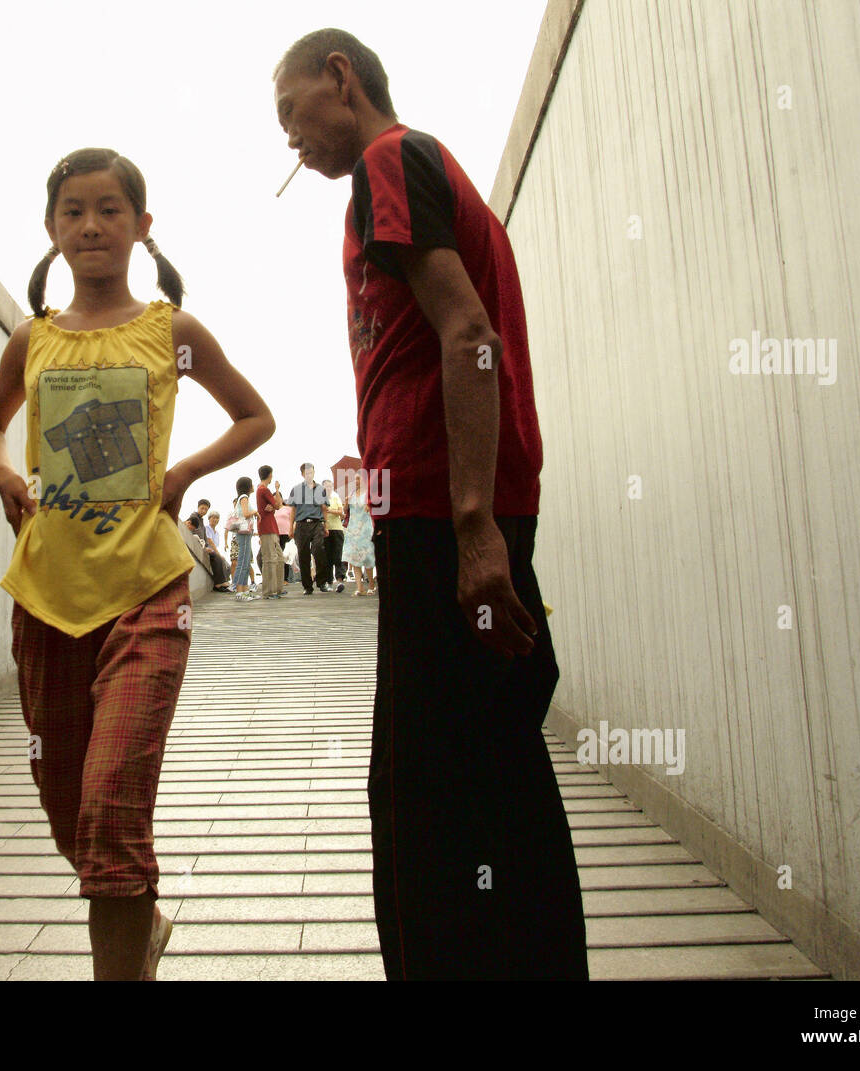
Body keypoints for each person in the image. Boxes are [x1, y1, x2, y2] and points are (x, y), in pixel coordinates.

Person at [274, 30, 588, 980]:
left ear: (341, 78)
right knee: (496, 769)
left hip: (434, 514)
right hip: (460, 507)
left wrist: (470, 526)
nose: (292, 141)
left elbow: (468, 333)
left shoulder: (387, 161)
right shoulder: (412, 167)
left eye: (292, 112)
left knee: (416, 801)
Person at [0, 147, 273, 981]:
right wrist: (2, 472)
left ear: (143, 227)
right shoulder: (31, 338)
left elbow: (256, 417)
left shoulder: (171, 330)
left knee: (112, 805)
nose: (92, 225)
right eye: (73, 210)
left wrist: (181, 475)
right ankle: (143, 921)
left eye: (110, 209)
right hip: (45, 598)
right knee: (68, 809)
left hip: (146, 591)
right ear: (51, 229)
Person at [286, 462, 329, 594]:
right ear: (302, 474)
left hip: (317, 523)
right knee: (303, 555)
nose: (309, 475)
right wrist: (290, 528)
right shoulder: (296, 489)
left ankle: (322, 582)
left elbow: (324, 508)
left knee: (318, 549)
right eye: (306, 473)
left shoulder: (320, 489)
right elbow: (292, 510)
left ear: (314, 472)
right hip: (301, 524)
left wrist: (326, 526)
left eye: (311, 472)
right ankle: (307, 586)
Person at [343, 469, 376, 595]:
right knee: (354, 558)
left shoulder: (368, 494)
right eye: (355, 479)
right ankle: (359, 587)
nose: (356, 481)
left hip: (365, 528)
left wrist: (369, 505)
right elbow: (346, 511)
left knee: (367, 557)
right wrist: (346, 503)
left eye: (358, 479)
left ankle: (371, 585)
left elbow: (371, 509)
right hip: (353, 529)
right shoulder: (352, 493)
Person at [255, 465, 285, 599]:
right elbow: (279, 505)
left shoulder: (261, 489)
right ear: (269, 475)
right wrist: (277, 491)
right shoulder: (263, 489)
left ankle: (277, 588)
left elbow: (275, 506)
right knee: (269, 559)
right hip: (267, 528)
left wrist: (272, 507)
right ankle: (269, 591)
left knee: (278, 558)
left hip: (271, 527)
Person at [230, 475, 259, 601]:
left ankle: (245, 590)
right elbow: (246, 513)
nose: (253, 486)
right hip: (244, 533)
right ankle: (240, 592)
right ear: (247, 486)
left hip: (244, 533)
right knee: (243, 561)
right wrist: (256, 512)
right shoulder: (244, 497)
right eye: (251, 484)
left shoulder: (242, 497)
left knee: (245, 561)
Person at [321, 478, 346, 592]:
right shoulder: (320, 499)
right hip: (325, 529)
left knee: (338, 555)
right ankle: (329, 582)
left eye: (330, 486)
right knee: (327, 557)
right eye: (326, 486)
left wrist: (329, 510)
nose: (328, 488)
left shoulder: (336, 497)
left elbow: (341, 512)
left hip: (337, 529)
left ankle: (340, 580)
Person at [203, 510, 232, 592]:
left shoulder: (217, 533)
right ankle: (218, 584)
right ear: (209, 519)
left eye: (217, 518)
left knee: (227, 565)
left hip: (214, 551)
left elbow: (216, 545)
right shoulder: (207, 528)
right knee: (219, 558)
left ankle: (225, 582)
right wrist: (218, 554)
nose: (215, 520)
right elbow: (210, 542)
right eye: (213, 518)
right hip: (208, 551)